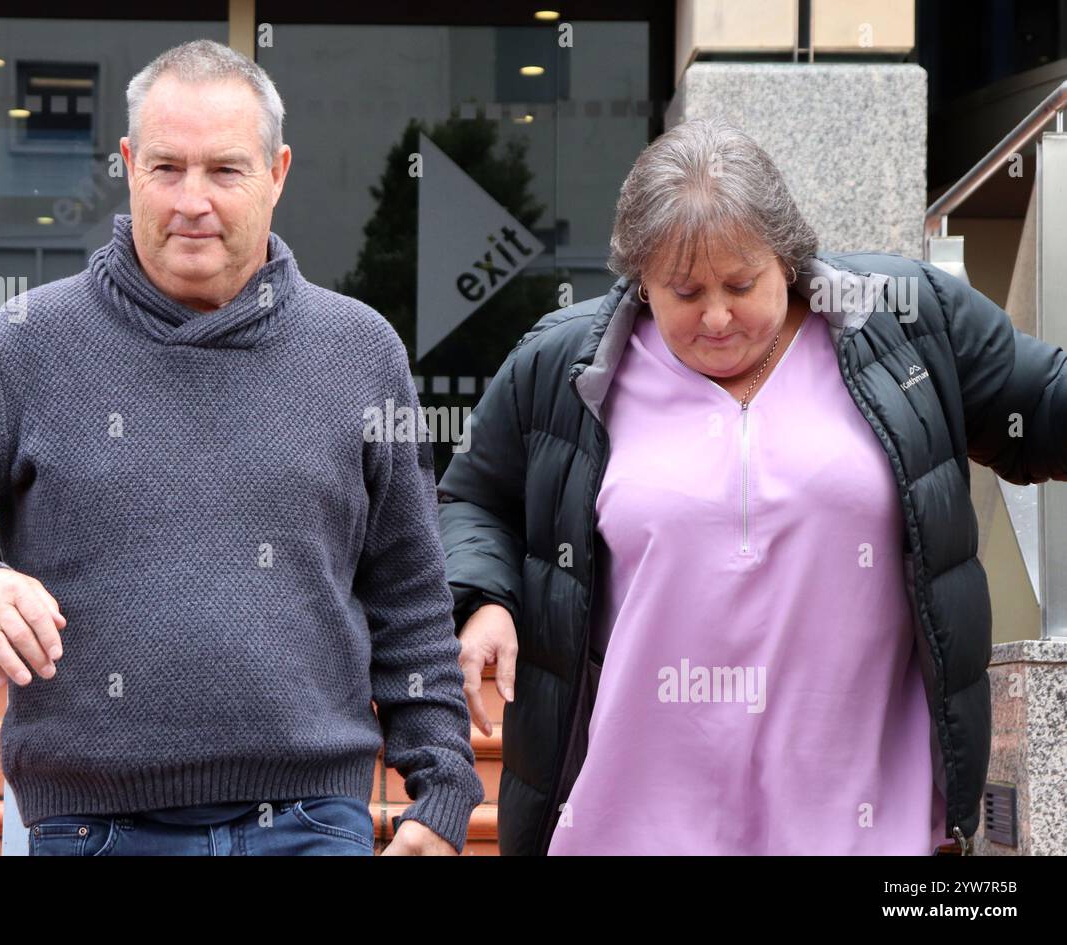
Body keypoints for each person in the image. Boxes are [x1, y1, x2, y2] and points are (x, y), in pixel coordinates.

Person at [0, 39, 482, 856]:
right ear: (128, 164)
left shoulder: (360, 352)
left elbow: (410, 596)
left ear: (278, 173)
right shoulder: (31, 343)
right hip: (94, 829)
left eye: (225, 170)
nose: (192, 200)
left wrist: (443, 785)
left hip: (314, 823)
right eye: (167, 168)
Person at [439, 115, 1066, 855]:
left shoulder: (902, 320)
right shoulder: (564, 367)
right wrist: (483, 599)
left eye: (742, 283)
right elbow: (474, 498)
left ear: (789, 256)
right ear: (639, 279)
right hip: (632, 827)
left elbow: (1045, 407)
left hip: (866, 827)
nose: (715, 315)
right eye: (683, 291)